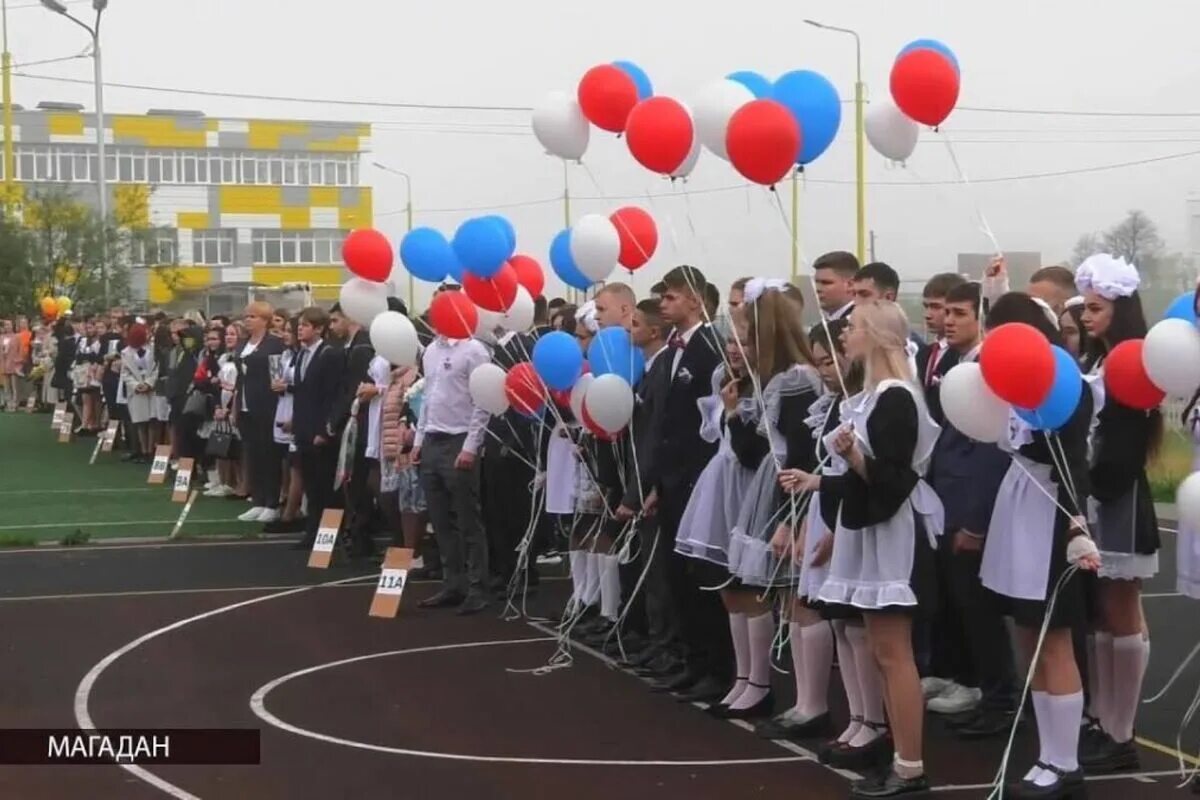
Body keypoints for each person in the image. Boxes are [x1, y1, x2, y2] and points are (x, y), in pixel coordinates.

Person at [783, 300, 944, 798]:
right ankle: (899, 754)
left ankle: (911, 764)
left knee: (894, 653)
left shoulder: (895, 397)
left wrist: (853, 457)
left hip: (891, 535)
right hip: (868, 530)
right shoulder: (870, 398)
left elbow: (894, 479)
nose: (845, 335)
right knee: (881, 650)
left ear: (874, 335)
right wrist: (834, 476)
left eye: (852, 327)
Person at [976, 292, 1098, 799]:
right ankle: (1048, 751)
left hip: (1051, 509)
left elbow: (1072, 458)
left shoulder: (1061, 381)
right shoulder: (1015, 384)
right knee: (1027, 632)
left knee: (1054, 636)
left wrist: (1075, 521)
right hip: (1019, 501)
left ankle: (1066, 763)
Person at [719, 280, 823, 720]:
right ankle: (762, 685)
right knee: (772, 593)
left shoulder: (796, 381)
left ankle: (808, 702)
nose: (744, 346)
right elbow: (753, 449)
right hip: (772, 480)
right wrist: (731, 413)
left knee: (797, 597)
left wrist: (791, 516)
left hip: (789, 488)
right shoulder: (771, 381)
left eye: (750, 334)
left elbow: (800, 452)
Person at [1074, 254, 1161, 775]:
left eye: (1095, 308)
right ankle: (1103, 719)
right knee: (1103, 612)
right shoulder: (1099, 362)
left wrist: (1099, 486)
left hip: (1117, 493)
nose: (1086, 317)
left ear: (1119, 310)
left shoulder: (1131, 361)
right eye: (1085, 308)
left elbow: (1124, 439)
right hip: (1093, 490)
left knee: (1121, 609)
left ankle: (1121, 731)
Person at [923, 282, 1020, 737]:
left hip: (970, 507)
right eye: (947, 313)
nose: (949, 320)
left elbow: (990, 449)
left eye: (960, 313)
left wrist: (976, 521)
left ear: (981, 318)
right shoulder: (956, 363)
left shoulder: (986, 368)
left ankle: (1001, 699)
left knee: (981, 611)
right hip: (948, 500)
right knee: (963, 606)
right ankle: (983, 688)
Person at [645, 265, 726, 702]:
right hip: (673, 477)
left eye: (672, 297)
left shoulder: (709, 346)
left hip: (697, 476)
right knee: (677, 574)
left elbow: (707, 421)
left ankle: (716, 665)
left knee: (699, 575)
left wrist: (694, 475)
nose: (663, 303)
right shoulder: (676, 348)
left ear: (694, 300)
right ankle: (692, 658)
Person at [412, 311, 492, 616]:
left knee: (468, 519)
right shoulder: (431, 351)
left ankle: (477, 587)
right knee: (441, 520)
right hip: (433, 439)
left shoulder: (474, 350)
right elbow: (429, 398)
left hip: (459, 440)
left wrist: (472, 445)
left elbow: (482, 401)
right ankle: (453, 583)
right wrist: (419, 441)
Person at [291, 307, 345, 550]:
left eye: (305, 325)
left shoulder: (330, 354)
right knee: (311, 486)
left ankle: (328, 538)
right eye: (299, 325)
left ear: (319, 328)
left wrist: (325, 431)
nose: (299, 329)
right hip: (302, 429)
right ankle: (311, 533)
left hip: (321, 432)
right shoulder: (301, 355)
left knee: (325, 487)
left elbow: (334, 395)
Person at [327, 302, 378, 558]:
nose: (332, 326)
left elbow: (353, 389)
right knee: (352, 480)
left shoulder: (362, 347)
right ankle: (356, 532)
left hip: (360, 422)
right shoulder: (353, 345)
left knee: (356, 480)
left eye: (336, 320)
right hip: (357, 420)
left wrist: (336, 419)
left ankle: (360, 535)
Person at [234, 302, 286, 524]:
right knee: (253, 454)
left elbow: (277, 374)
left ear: (264, 320)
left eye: (252, 316)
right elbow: (239, 377)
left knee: (269, 456)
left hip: (267, 404)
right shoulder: (243, 344)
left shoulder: (274, 344)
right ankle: (258, 500)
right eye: (246, 316)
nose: (247, 320)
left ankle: (272, 503)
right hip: (245, 404)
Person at [120, 322, 157, 463]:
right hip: (136, 390)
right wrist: (136, 385)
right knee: (140, 422)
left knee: (152, 421)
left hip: (151, 389)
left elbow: (157, 369)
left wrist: (149, 383)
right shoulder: (126, 352)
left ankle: (150, 451)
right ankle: (143, 450)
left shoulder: (153, 349)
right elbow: (125, 373)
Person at [813, 251, 860, 321]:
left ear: (850, 285)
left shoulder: (860, 323)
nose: (817, 289)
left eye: (826, 283)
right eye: (816, 282)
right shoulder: (822, 326)